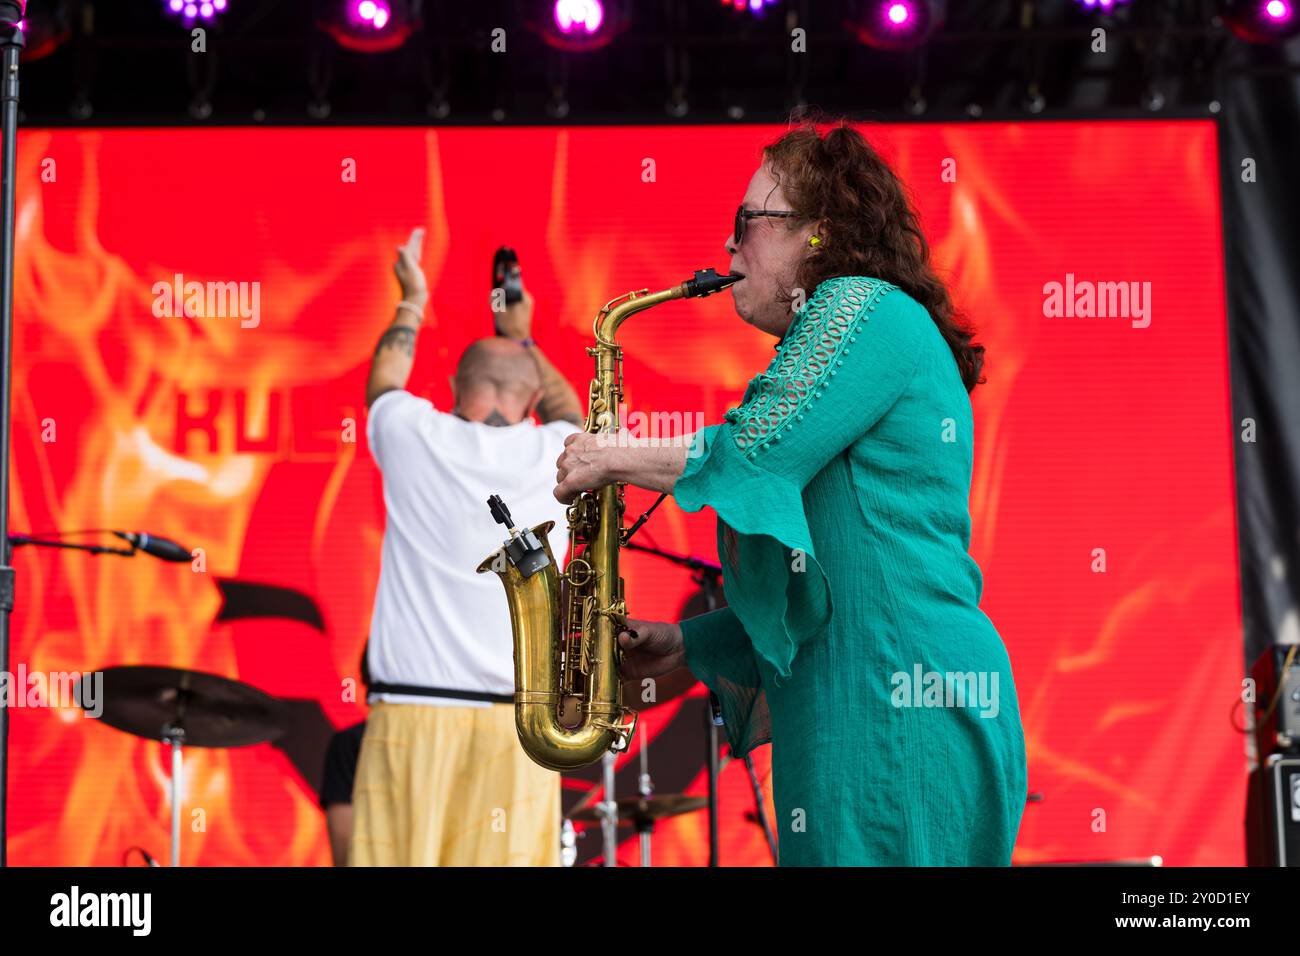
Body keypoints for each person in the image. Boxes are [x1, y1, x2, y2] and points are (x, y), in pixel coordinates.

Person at [553, 122, 1028, 866]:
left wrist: (611, 456)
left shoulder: (860, 307)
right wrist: (686, 645)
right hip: (867, 705)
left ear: (819, 234)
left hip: (894, 709)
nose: (729, 248)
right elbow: (826, 584)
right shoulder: (852, 328)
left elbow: (752, 449)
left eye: (748, 222)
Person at [351, 229, 583, 866]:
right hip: (520, 727)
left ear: (455, 381)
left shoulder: (411, 433)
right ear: (532, 395)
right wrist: (524, 334)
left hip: (410, 717)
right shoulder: (560, 451)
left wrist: (413, 297)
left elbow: (385, 383)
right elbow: (574, 411)